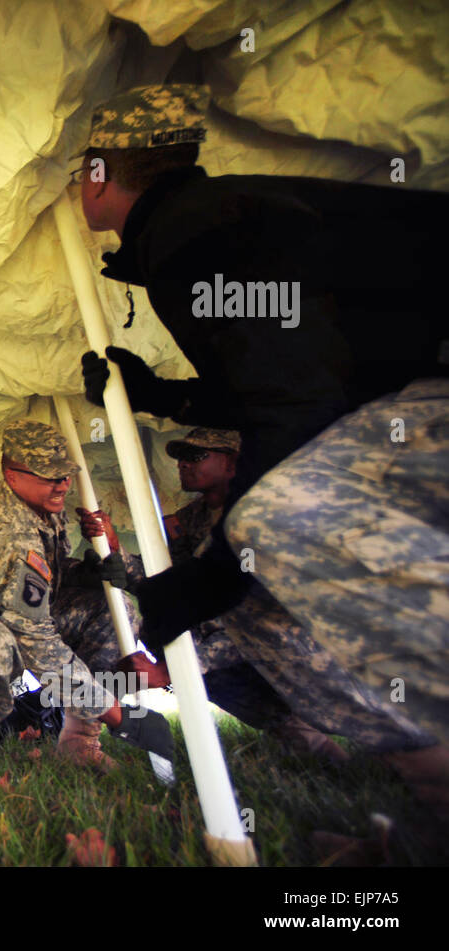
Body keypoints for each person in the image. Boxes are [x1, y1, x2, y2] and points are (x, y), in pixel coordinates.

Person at [74, 84, 448, 821]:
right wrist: (168, 398)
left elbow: (301, 404)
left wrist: (215, 572)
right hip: (408, 387)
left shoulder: (196, 234)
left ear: (96, 177)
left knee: (284, 518)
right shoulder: (214, 219)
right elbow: (296, 374)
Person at [78, 428, 434, 762]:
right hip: (240, 644)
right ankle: (316, 750)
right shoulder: (193, 519)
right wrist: (114, 550)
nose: (182, 462)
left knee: (361, 714)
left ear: (232, 462)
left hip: (305, 641)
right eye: (181, 455)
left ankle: (421, 760)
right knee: (212, 673)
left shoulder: (263, 513)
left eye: (196, 454)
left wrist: (174, 669)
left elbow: (256, 612)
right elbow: (173, 584)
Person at [0, 419, 164, 790]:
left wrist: (100, 561)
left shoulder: (43, 505)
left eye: (65, 476)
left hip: (10, 611)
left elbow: (47, 582)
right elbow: (33, 637)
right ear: (11, 474)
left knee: (114, 608)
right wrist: (116, 714)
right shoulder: (8, 529)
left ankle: (79, 742)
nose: (62, 485)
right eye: (49, 477)